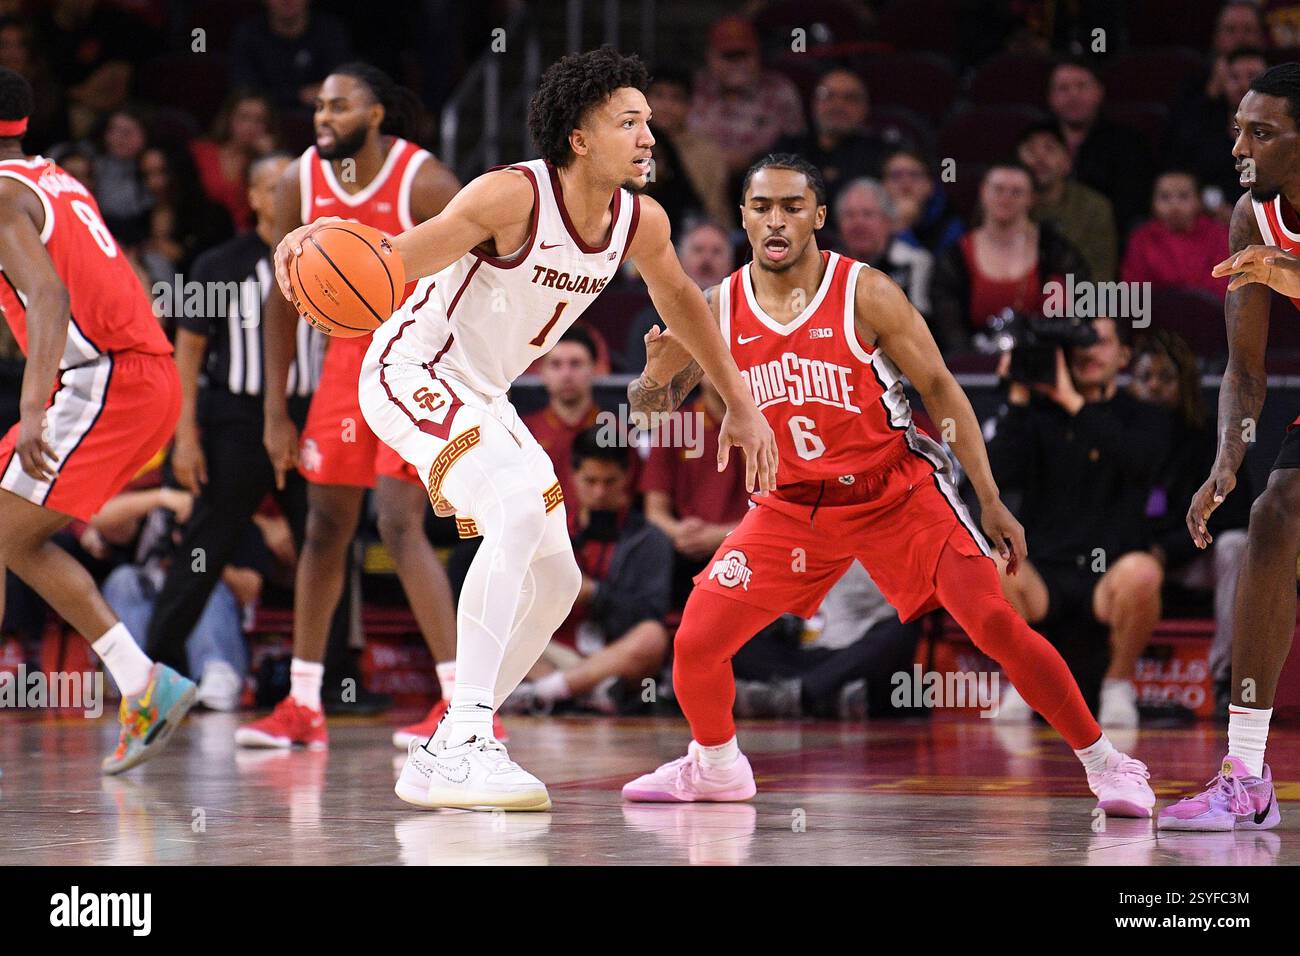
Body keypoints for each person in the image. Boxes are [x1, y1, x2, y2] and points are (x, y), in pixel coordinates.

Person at [276, 47, 778, 811]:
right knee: (510, 511)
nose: (649, 137)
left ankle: (445, 747)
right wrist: (315, 251)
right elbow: (394, 262)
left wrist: (738, 402)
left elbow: (682, 299)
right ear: (580, 137)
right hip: (413, 371)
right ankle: (471, 734)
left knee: (558, 579)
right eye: (629, 122)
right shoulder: (508, 198)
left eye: (648, 122)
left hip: (485, 392)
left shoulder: (640, 220)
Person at [619, 153, 1155, 817]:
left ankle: (1108, 764)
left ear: (819, 216)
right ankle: (716, 766)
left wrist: (987, 499)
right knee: (697, 643)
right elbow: (648, 414)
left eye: (792, 206)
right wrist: (649, 376)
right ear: (744, 218)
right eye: (762, 207)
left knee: (994, 621)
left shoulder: (864, 292)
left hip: (893, 490)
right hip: (792, 505)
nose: (776, 219)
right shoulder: (716, 306)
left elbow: (941, 389)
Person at [239, 62, 465, 751]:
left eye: (339, 107)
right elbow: (281, 297)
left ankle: (464, 708)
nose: (323, 118)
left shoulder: (423, 180)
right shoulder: (296, 182)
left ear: (374, 115)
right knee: (324, 527)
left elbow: (485, 266)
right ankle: (303, 704)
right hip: (346, 364)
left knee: (398, 524)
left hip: (421, 360)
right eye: (318, 109)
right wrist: (276, 410)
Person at [0, 66, 195, 774]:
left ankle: (144, 682)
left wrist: (31, 407)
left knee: (6, 533)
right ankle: (144, 682)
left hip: (106, 378)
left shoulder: (0, 196)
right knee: (11, 537)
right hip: (130, 371)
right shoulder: (51, 177)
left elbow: (48, 298)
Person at [1164, 63, 1300, 831]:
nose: (1242, 147)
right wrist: (1226, 458)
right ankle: (1245, 774)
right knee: (1274, 510)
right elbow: (1245, 371)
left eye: (1264, 132)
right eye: (1239, 130)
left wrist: (1287, 272)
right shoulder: (1253, 215)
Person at [989, 317, 1173, 727]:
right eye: (1081, 343)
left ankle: (1117, 685)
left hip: (1109, 575)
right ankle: (1022, 684)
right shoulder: (1036, 414)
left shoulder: (1144, 416)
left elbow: (1140, 463)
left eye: (1101, 342)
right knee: (993, 566)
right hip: (1044, 572)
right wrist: (1017, 397)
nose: (1089, 352)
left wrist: (1074, 402)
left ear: (1124, 355)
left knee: (1143, 572)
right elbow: (998, 476)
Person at [505, 427, 673, 714]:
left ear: (627, 477)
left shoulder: (650, 538)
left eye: (610, 482)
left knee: (652, 636)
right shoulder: (548, 529)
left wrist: (595, 594)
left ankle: (545, 693)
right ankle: (580, 690)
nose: (599, 492)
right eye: (590, 481)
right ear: (572, 476)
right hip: (552, 652)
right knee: (491, 619)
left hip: (614, 655)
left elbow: (650, 613)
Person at [1129, 330, 1249, 711]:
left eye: (1165, 378)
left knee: (1236, 547)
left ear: (1185, 382)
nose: (1154, 387)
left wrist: (1167, 550)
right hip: (1131, 556)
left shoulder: (1210, 436)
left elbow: (1233, 510)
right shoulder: (1116, 431)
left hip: (1193, 553)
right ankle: (1099, 677)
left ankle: (1225, 679)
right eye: (1145, 377)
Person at [929, 162, 1089, 354]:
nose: (1006, 198)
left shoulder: (1055, 252)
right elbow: (950, 331)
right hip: (973, 369)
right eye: (998, 189)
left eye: (1016, 192)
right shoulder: (955, 257)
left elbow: (1081, 313)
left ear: (1031, 198)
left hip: (1045, 361)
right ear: (983, 191)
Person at [641, 372, 749, 609]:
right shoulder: (674, 425)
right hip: (684, 552)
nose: (720, 368)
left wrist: (721, 536)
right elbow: (654, 511)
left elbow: (779, 507)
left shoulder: (765, 424)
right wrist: (679, 531)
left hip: (750, 549)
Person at [689, 16, 804, 185]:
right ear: (710, 57)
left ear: (758, 54)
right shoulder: (694, 89)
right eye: (729, 56)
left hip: (767, 180)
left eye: (744, 55)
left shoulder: (780, 90)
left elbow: (797, 146)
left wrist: (752, 160)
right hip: (703, 183)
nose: (738, 64)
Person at [772, 68, 892, 230]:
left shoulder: (882, 154)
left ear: (865, 107)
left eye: (850, 98)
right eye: (828, 96)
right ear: (814, 103)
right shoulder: (787, 150)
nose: (838, 105)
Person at [1047, 57, 1153, 231]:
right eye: (1063, 88)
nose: (1073, 95)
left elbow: (1132, 207)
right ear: (1050, 97)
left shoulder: (1128, 143)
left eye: (1082, 86)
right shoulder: (1035, 140)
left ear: (1099, 92)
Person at [620, 219, 734, 372]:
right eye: (698, 250)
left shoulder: (745, 317)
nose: (707, 259)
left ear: (730, 262)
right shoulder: (651, 323)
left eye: (716, 251)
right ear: (680, 260)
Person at [1016, 121, 1117, 282]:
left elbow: (1101, 275)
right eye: (1030, 150)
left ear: (1067, 162)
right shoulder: (1000, 201)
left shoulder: (1095, 206)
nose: (1039, 159)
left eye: (1050, 149)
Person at [642, 69, 732, 230]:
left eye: (676, 98)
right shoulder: (629, 144)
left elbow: (714, 208)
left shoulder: (706, 151)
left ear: (689, 105)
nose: (666, 106)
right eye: (659, 96)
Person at [1122, 170, 1231, 298]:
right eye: (1165, 197)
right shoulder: (1141, 238)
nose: (1175, 205)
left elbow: (1224, 287)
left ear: (1198, 201)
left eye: (1183, 196)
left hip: (1208, 313)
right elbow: (1133, 289)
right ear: (1152, 203)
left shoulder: (1219, 235)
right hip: (1155, 314)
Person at [229, 0, 352, 115]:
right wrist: (300, 95)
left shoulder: (329, 31)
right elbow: (245, 91)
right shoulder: (249, 35)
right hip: (264, 123)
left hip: (319, 120)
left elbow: (340, 86)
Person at [834, 177, 933, 316]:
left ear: (888, 221)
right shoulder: (827, 268)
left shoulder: (915, 262)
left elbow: (921, 320)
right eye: (849, 215)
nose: (858, 223)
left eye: (867, 214)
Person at [190, 89, 279, 231]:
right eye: (244, 117)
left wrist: (269, 155)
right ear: (229, 118)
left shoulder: (265, 166)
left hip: (246, 238)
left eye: (259, 120)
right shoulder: (201, 152)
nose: (250, 127)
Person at [882, 148, 964, 258]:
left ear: (930, 185)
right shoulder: (866, 218)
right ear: (883, 184)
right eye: (896, 175)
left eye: (914, 175)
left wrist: (903, 226)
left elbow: (934, 272)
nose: (905, 184)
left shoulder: (949, 226)